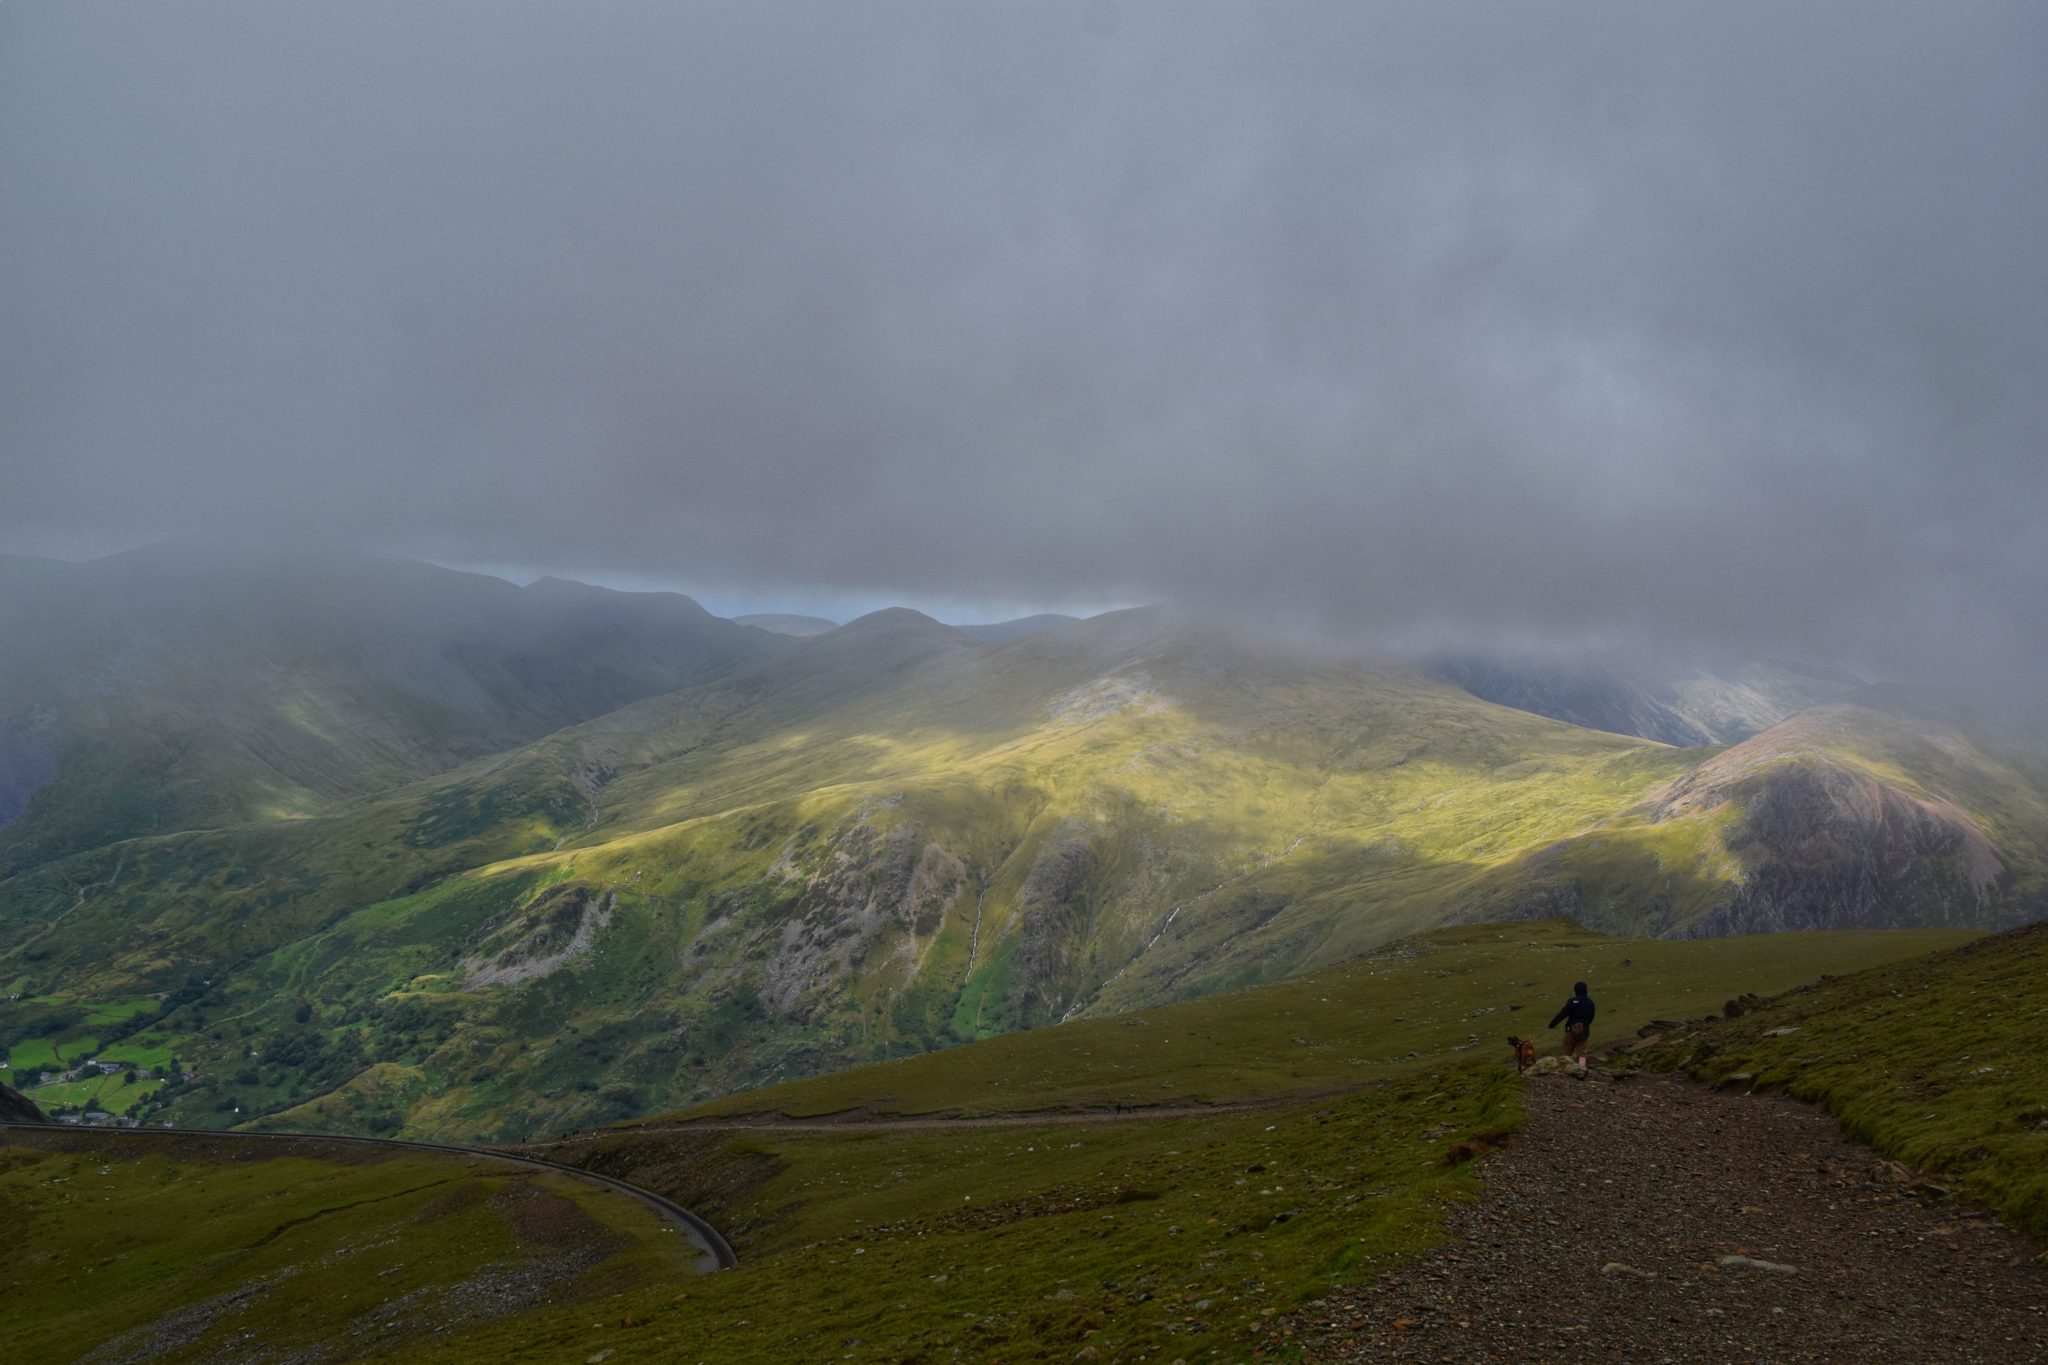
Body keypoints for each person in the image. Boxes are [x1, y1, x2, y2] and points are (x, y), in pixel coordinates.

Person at [1548, 980, 1595, 1073]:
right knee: (1582, 1052)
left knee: (1567, 1051)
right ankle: (1582, 1070)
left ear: (1576, 990)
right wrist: (1585, 1025)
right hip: (1584, 1030)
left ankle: (1566, 1071)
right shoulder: (1590, 1002)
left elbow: (1563, 1014)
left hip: (1571, 1029)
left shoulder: (1572, 1001)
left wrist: (1552, 1024)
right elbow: (1591, 1017)